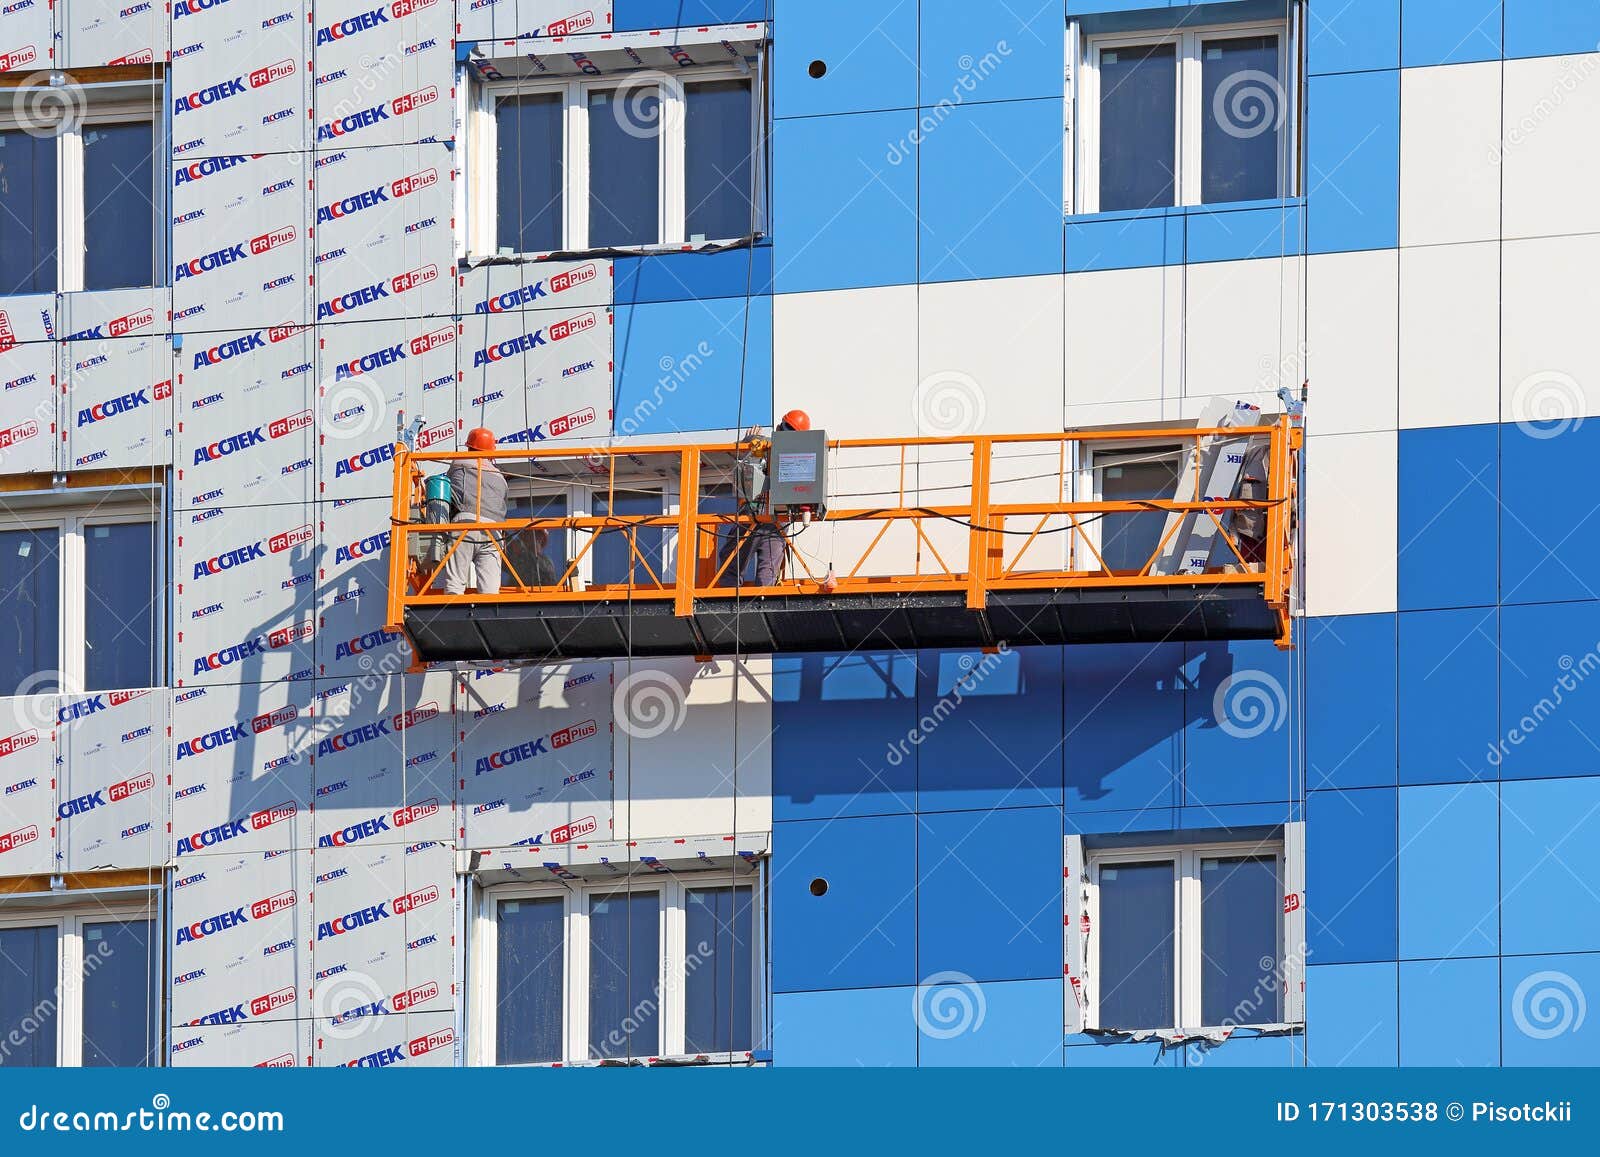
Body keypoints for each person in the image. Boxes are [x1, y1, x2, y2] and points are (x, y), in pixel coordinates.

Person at [722, 409, 810, 588]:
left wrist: (746, 443)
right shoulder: (802, 457)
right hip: (776, 521)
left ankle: (730, 602)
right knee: (766, 578)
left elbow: (728, 454)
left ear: (779, 427)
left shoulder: (761, 444)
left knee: (732, 568)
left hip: (752, 517)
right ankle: (760, 602)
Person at [443, 427, 508, 595]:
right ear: (491, 451)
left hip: (465, 525)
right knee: (490, 592)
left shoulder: (459, 462)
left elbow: (446, 487)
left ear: (469, 447)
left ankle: (451, 614)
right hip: (494, 533)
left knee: (455, 585)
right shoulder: (500, 478)